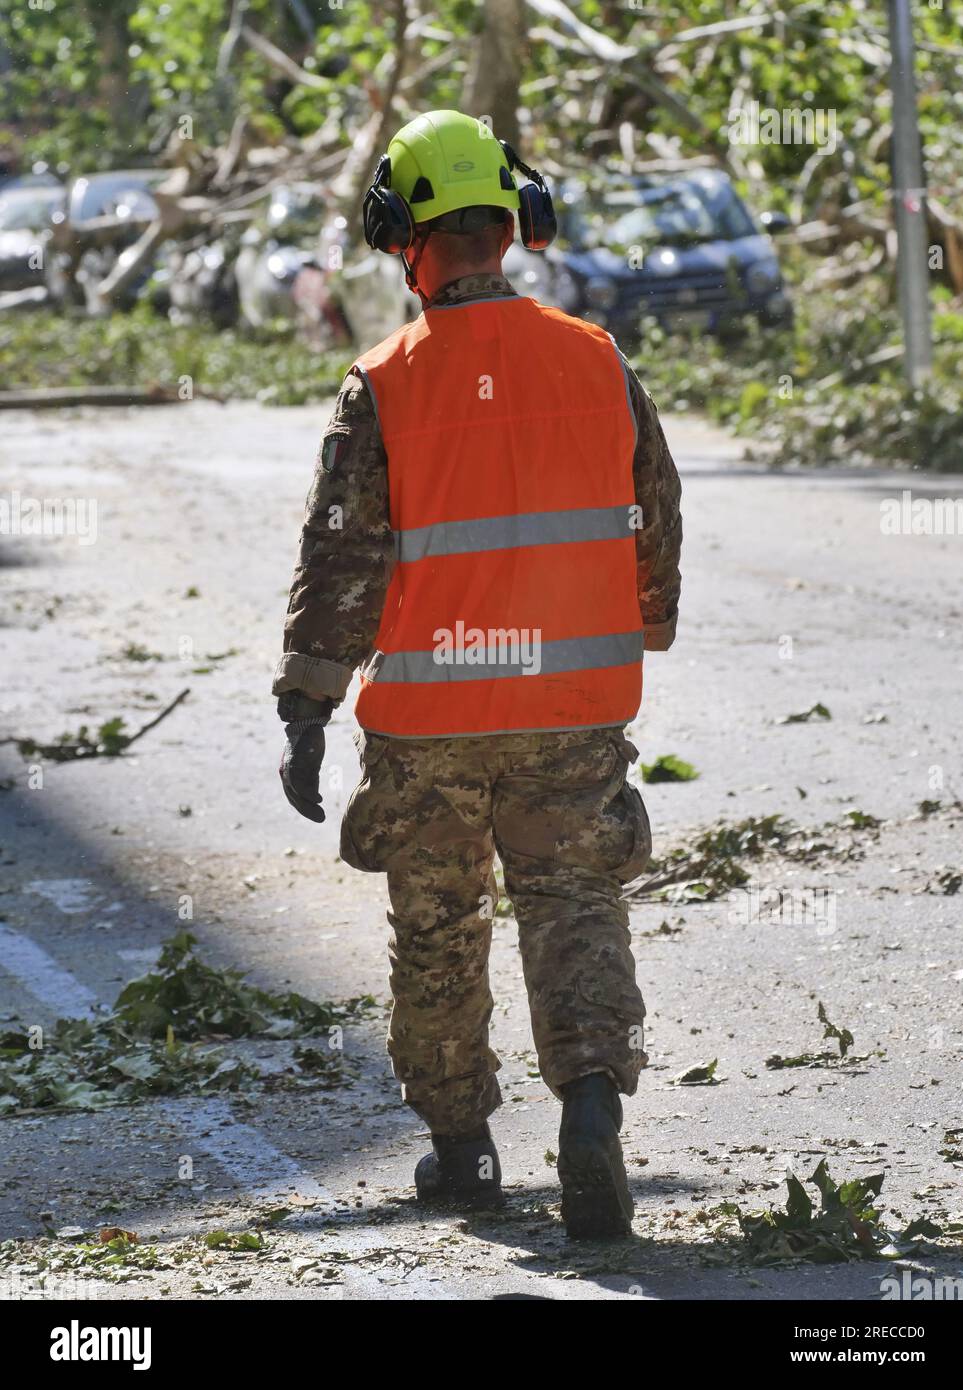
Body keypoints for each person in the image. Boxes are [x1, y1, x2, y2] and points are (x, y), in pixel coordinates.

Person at [273, 110, 682, 1239]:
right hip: (572, 708)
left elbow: (343, 556)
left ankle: (463, 1150)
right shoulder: (596, 358)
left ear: (402, 234)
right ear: (516, 224)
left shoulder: (385, 381)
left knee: (441, 929)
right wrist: (645, 620)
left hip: (431, 723)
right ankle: (591, 1103)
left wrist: (306, 703)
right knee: (575, 904)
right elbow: (654, 506)